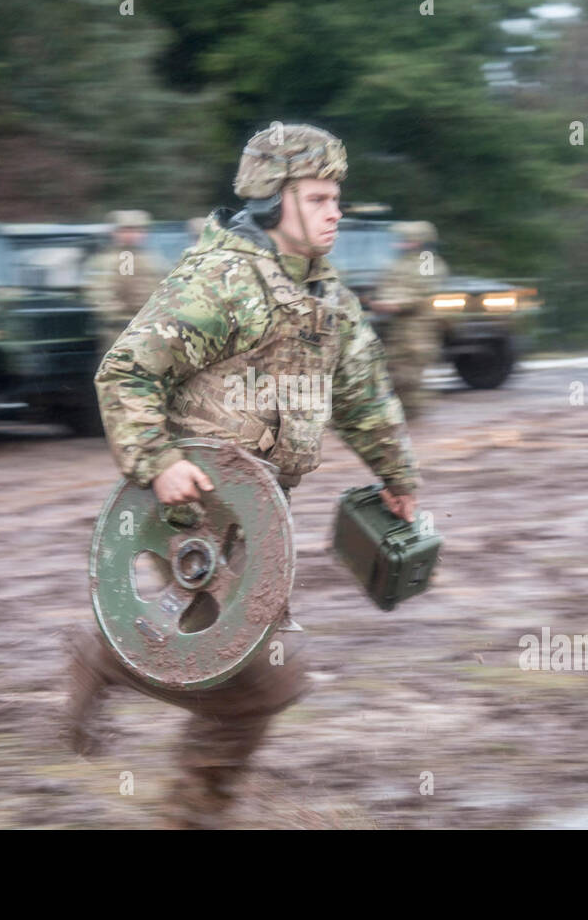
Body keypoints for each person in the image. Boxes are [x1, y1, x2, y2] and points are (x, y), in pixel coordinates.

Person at [62, 122, 421, 828]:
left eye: (336, 197)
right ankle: (106, 662)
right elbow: (127, 370)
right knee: (264, 673)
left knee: (255, 673)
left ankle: (193, 806)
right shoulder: (222, 281)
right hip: (192, 508)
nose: (334, 210)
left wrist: (396, 473)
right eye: (318, 197)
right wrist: (157, 461)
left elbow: (363, 393)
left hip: (262, 516)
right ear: (270, 202)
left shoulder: (329, 299)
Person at [370, 221, 446, 419]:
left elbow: (426, 292)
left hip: (417, 329)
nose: (400, 243)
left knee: (410, 377)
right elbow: (386, 286)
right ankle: (401, 416)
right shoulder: (398, 262)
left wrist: (398, 305)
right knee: (393, 373)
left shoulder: (427, 260)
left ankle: (414, 416)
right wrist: (380, 302)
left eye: (406, 239)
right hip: (396, 328)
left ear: (419, 241)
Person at [83, 209, 168, 356]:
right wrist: (122, 318)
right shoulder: (108, 261)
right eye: (125, 230)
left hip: (150, 331)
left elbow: (167, 291)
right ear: (114, 233)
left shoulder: (154, 260)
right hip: (119, 331)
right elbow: (100, 294)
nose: (131, 235)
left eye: (136, 230)